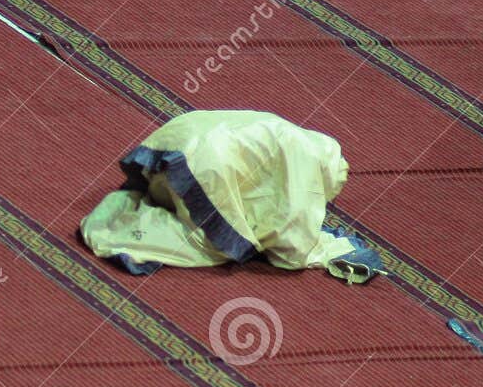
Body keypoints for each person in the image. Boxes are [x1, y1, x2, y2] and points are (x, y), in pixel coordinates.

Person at [80, 110, 384, 283]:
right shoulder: (304, 155)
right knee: (221, 245)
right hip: (201, 165)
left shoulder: (289, 132)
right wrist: (327, 249)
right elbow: (290, 244)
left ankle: (145, 204)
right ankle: (122, 228)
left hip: (166, 149)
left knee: (235, 219)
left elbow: (258, 196)